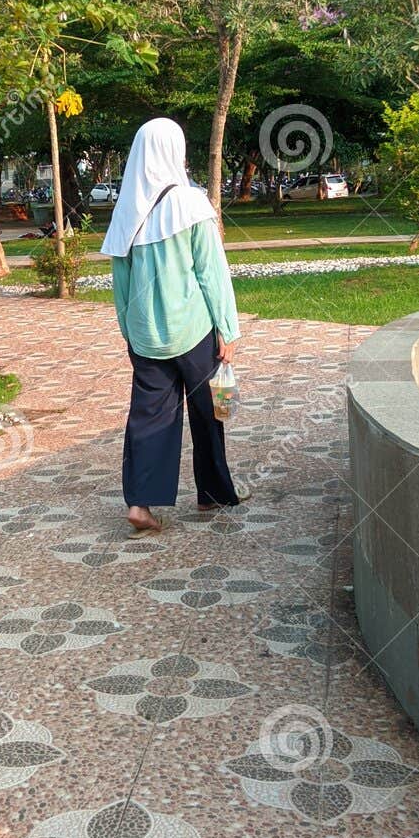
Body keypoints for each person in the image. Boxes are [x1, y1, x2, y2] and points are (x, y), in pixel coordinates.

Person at [101, 117, 246, 534]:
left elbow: (121, 285)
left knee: (148, 418)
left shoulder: (126, 209)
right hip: (194, 330)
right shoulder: (191, 203)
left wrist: (129, 331)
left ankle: (141, 504)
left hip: (145, 335)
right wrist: (228, 328)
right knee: (208, 413)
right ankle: (214, 494)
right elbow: (211, 273)